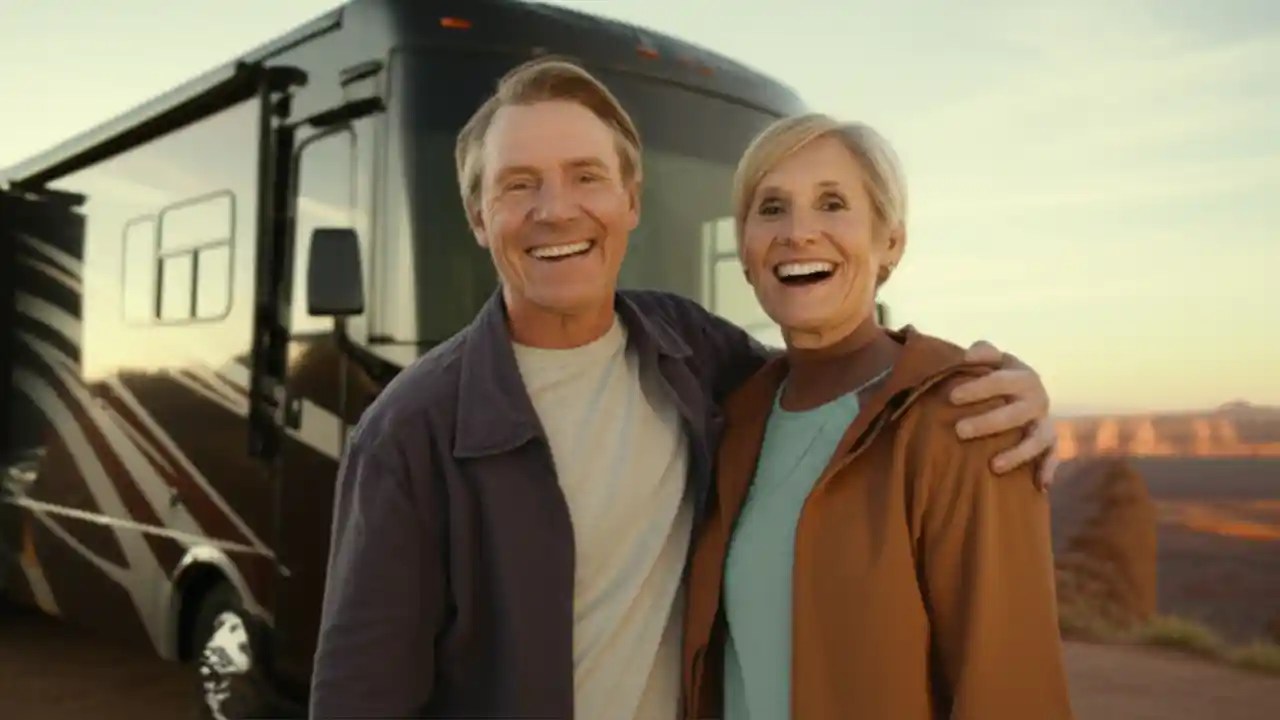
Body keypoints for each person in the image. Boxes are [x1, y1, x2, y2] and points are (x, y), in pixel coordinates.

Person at [308, 58, 1059, 720]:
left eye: (586, 176)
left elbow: (836, 369)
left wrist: (990, 379)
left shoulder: (695, 359)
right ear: (479, 217)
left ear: (630, 200)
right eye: (518, 185)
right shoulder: (412, 430)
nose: (556, 209)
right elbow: (360, 695)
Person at [680, 113, 1074, 720]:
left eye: (832, 203)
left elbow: (1011, 687)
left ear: (889, 241)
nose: (798, 232)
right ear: (746, 249)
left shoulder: (963, 417)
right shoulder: (733, 417)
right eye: (772, 208)